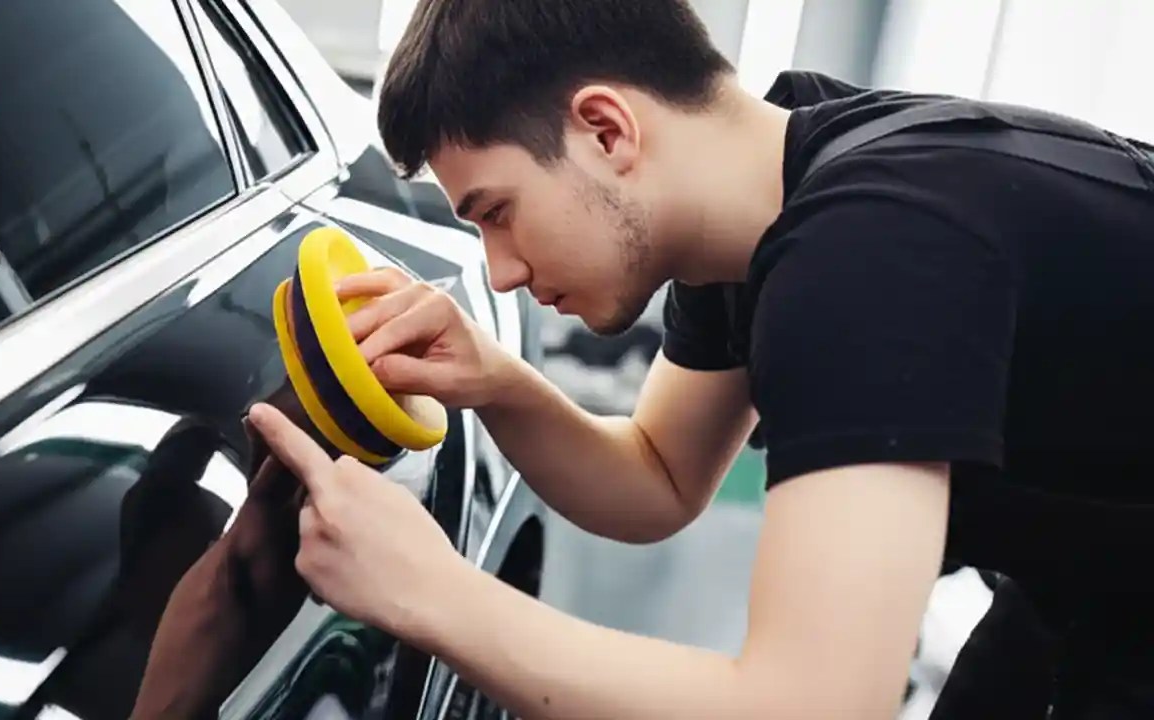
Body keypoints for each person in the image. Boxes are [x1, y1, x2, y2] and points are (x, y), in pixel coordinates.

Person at [246, 0, 1154, 717]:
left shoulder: (871, 253)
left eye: (497, 211)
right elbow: (659, 478)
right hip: (1085, 586)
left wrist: (433, 597)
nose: (501, 271)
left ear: (607, 130)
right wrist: (497, 382)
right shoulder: (778, 169)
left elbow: (819, 706)